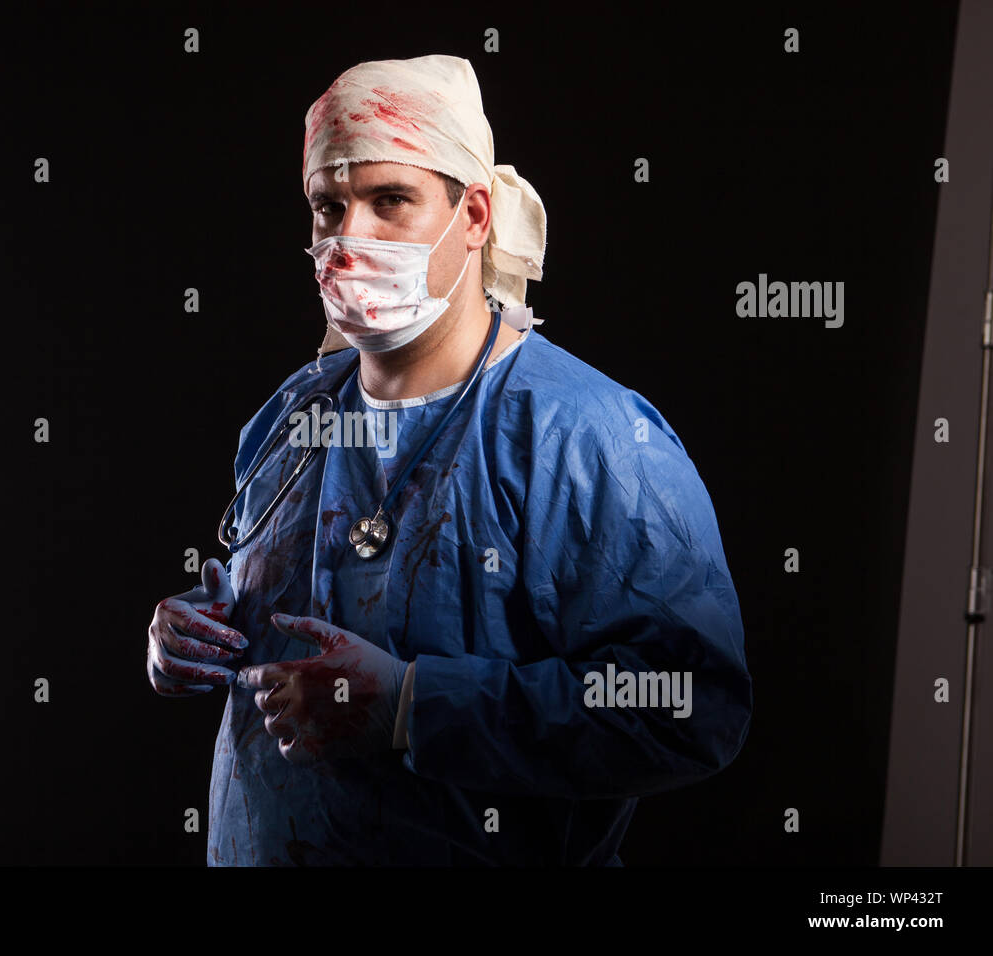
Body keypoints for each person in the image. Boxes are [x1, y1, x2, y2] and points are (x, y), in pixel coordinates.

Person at [146, 54, 752, 866]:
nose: (348, 236)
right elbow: (285, 603)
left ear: (472, 215)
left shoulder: (591, 439)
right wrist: (197, 632)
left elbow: (689, 704)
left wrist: (410, 708)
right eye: (328, 207)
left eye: (389, 200)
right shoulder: (295, 414)